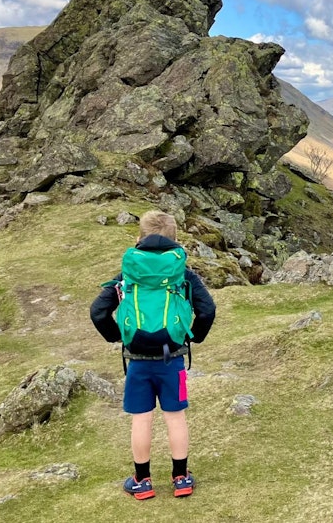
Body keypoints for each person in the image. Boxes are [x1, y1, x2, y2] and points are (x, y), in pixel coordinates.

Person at [90, 210, 216, 500]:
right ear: (176, 240)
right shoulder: (184, 275)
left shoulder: (128, 274)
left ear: (139, 238)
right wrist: (194, 336)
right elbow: (207, 310)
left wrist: (117, 336)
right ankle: (181, 478)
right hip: (174, 360)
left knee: (141, 419)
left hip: (137, 361)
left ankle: (142, 481)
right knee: (176, 417)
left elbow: (98, 311)